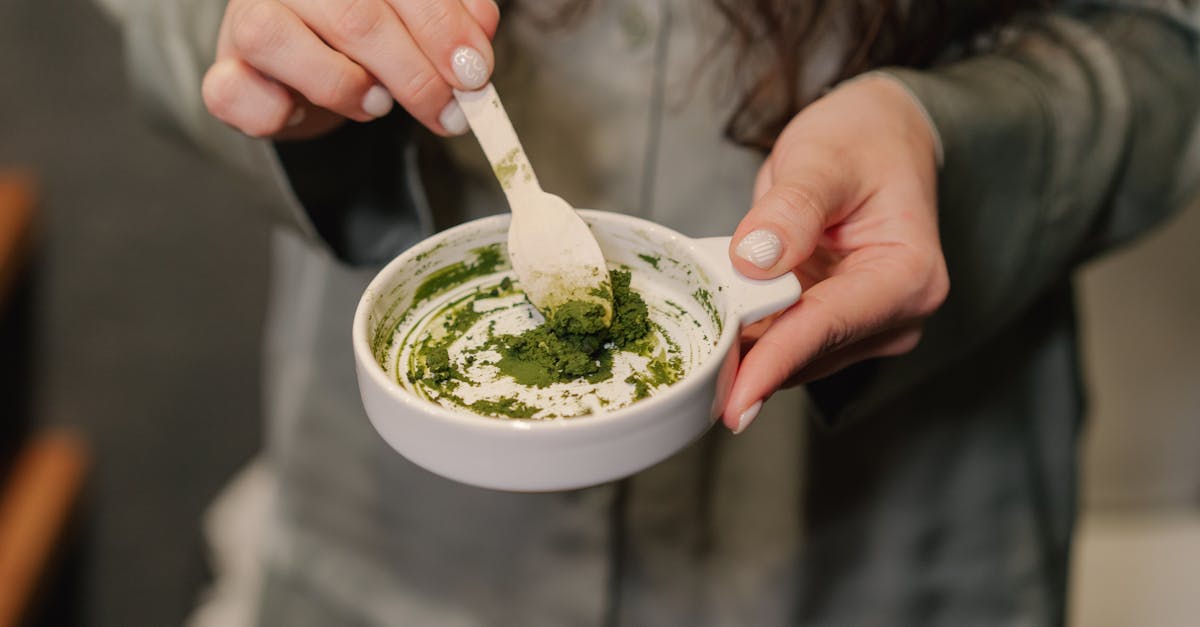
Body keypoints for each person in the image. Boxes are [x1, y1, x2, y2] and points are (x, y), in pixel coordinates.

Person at [106, 0, 1198, 624]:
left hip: (889, 549)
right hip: (405, 546)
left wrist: (951, 138)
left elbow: (1168, 41)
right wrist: (259, 35)